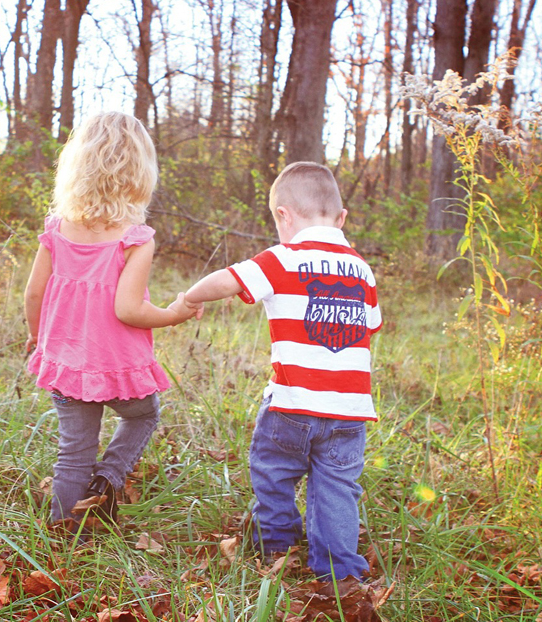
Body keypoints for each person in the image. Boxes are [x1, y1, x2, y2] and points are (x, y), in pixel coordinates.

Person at [184, 161, 381, 581]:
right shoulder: (363, 270)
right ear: (341, 218)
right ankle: (340, 573)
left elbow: (229, 279)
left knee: (273, 472)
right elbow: (372, 323)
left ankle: (275, 546)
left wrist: (190, 296)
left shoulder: (283, 257)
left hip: (292, 402)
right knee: (338, 489)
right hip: (349, 410)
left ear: (283, 215)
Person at [24, 112, 200, 531]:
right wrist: (174, 313)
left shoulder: (58, 229)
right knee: (143, 415)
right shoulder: (134, 239)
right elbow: (128, 310)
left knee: (73, 452)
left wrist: (37, 338)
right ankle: (108, 478)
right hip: (116, 366)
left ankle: (65, 539)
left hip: (66, 363)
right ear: (140, 171)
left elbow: (33, 293)